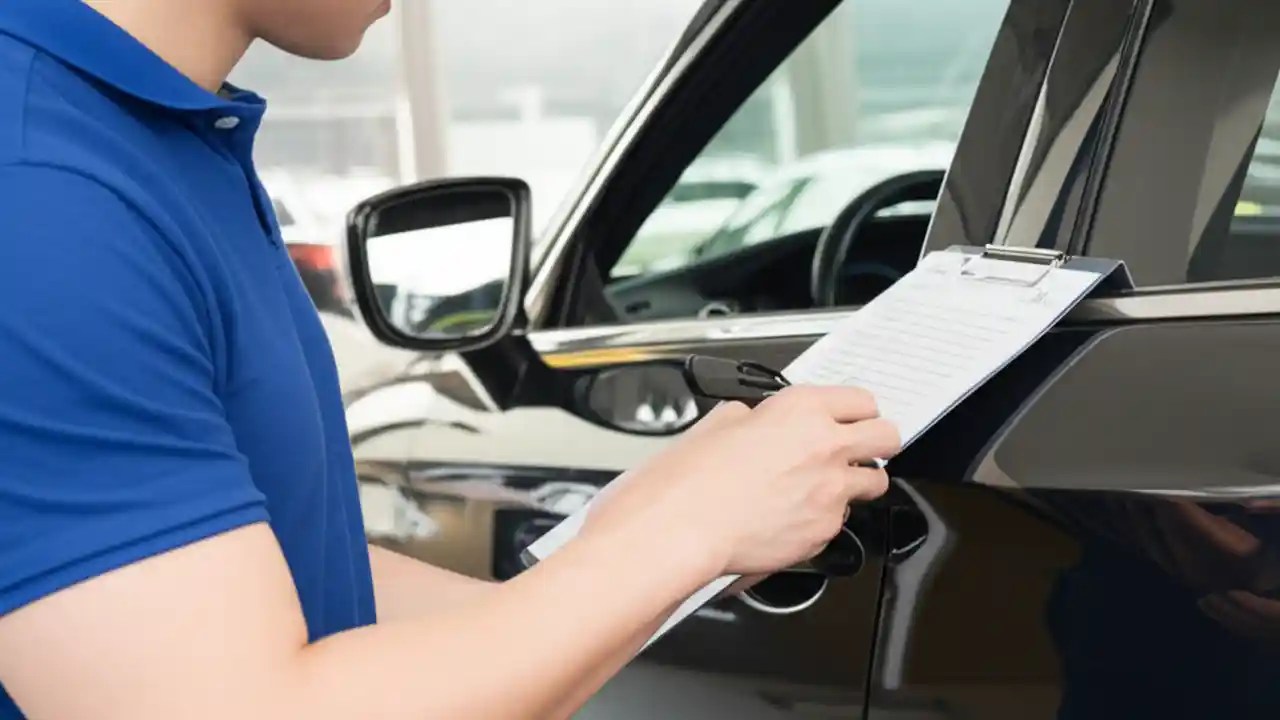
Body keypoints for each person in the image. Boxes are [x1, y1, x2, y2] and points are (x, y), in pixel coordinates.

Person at [0, 1, 900, 718]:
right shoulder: (42, 191)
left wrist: (650, 540)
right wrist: (682, 537)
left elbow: (280, 592)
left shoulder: (149, 136)